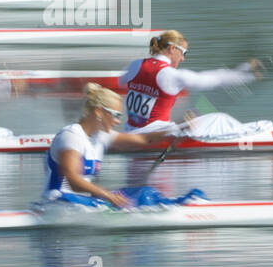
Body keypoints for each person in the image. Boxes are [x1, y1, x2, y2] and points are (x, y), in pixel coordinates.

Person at [41, 84, 182, 209]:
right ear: (98, 112)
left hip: (86, 203)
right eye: (116, 115)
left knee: (145, 192)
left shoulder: (101, 136)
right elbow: (73, 181)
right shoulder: (71, 136)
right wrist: (109, 196)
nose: (117, 121)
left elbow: (143, 139)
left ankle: (179, 206)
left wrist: (177, 130)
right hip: (58, 203)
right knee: (131, 199)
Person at [118, 31, 262, 133]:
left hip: (130, 132)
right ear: (172, 48)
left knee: (193, 115)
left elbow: (120, 82)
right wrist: (248, 75)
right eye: (183, 53)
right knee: (219, 118)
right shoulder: (172, 75)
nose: (183, 59)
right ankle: (255, 135)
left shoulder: (135, 65)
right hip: (157, 136)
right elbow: (215, 79)